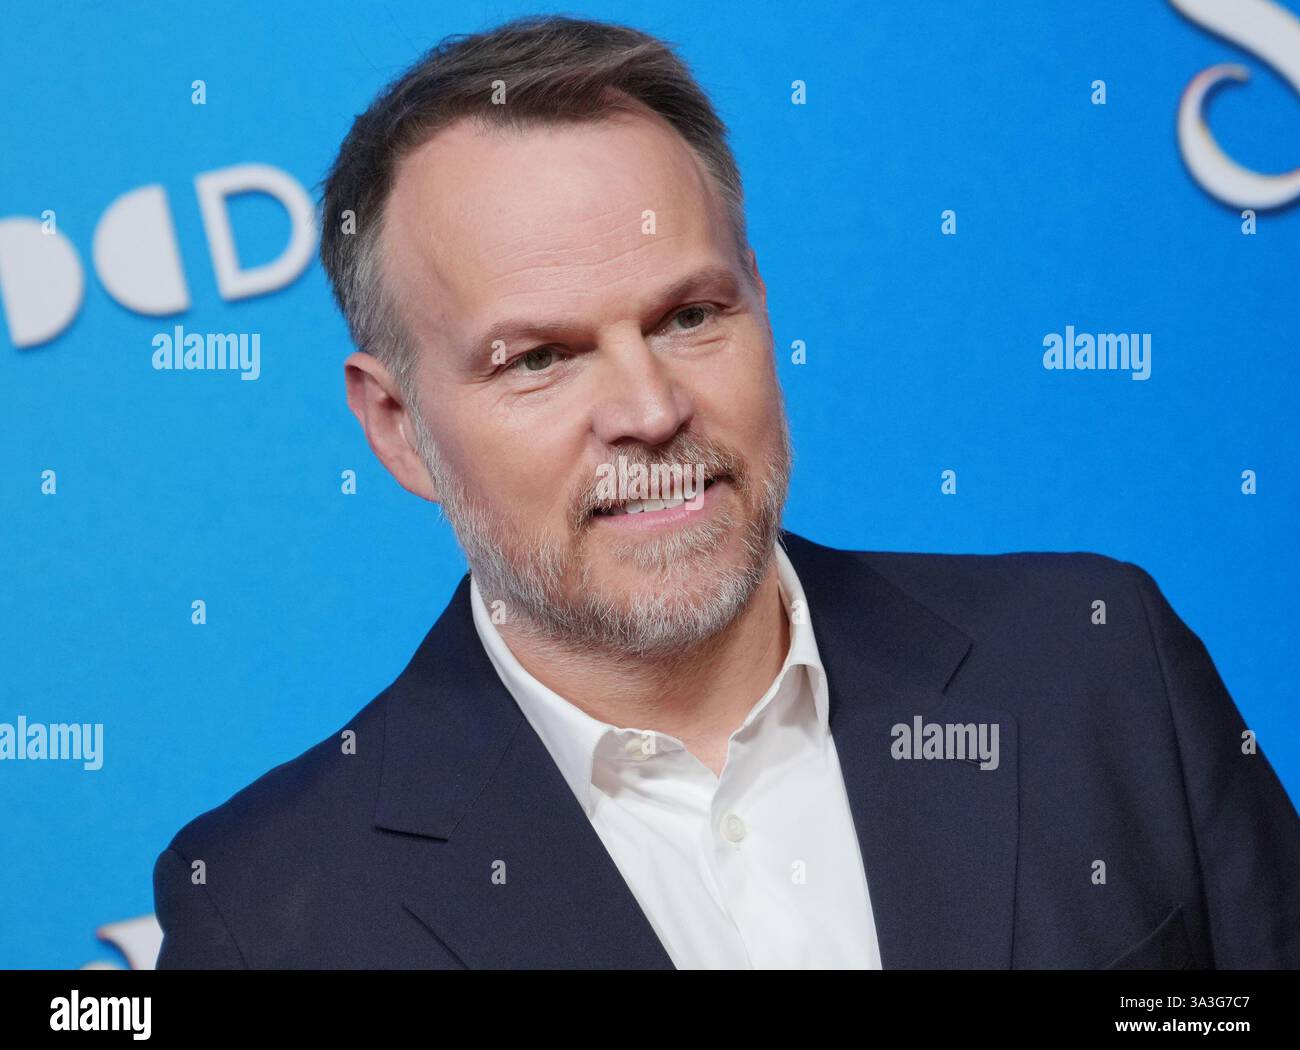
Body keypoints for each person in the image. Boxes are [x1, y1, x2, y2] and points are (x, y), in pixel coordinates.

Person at [153, 13, 1300, 970]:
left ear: (758, 298)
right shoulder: (266, 912)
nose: (650, 409)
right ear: (398, 426)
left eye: (689, 316)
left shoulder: (1095, 668)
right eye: (539, 359)